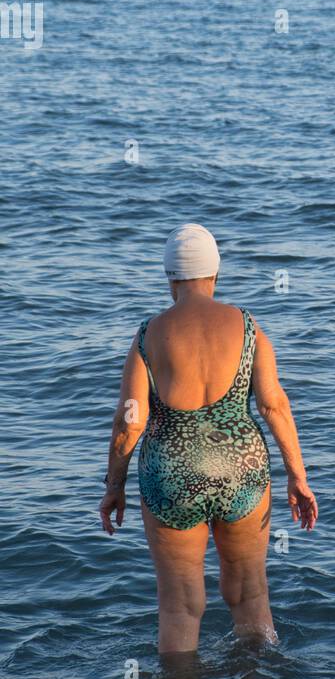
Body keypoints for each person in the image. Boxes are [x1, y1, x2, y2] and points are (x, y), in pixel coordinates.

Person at [100, 223, 317, 654]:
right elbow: (274, 405)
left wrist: (114, 486)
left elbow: (131, 420)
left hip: (172, 472)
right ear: (214, 274)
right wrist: (298, 476)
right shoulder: (249, 327)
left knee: (180, 606)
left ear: (170, 279)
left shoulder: (149, 334)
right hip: (242, 468)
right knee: (250, 594)